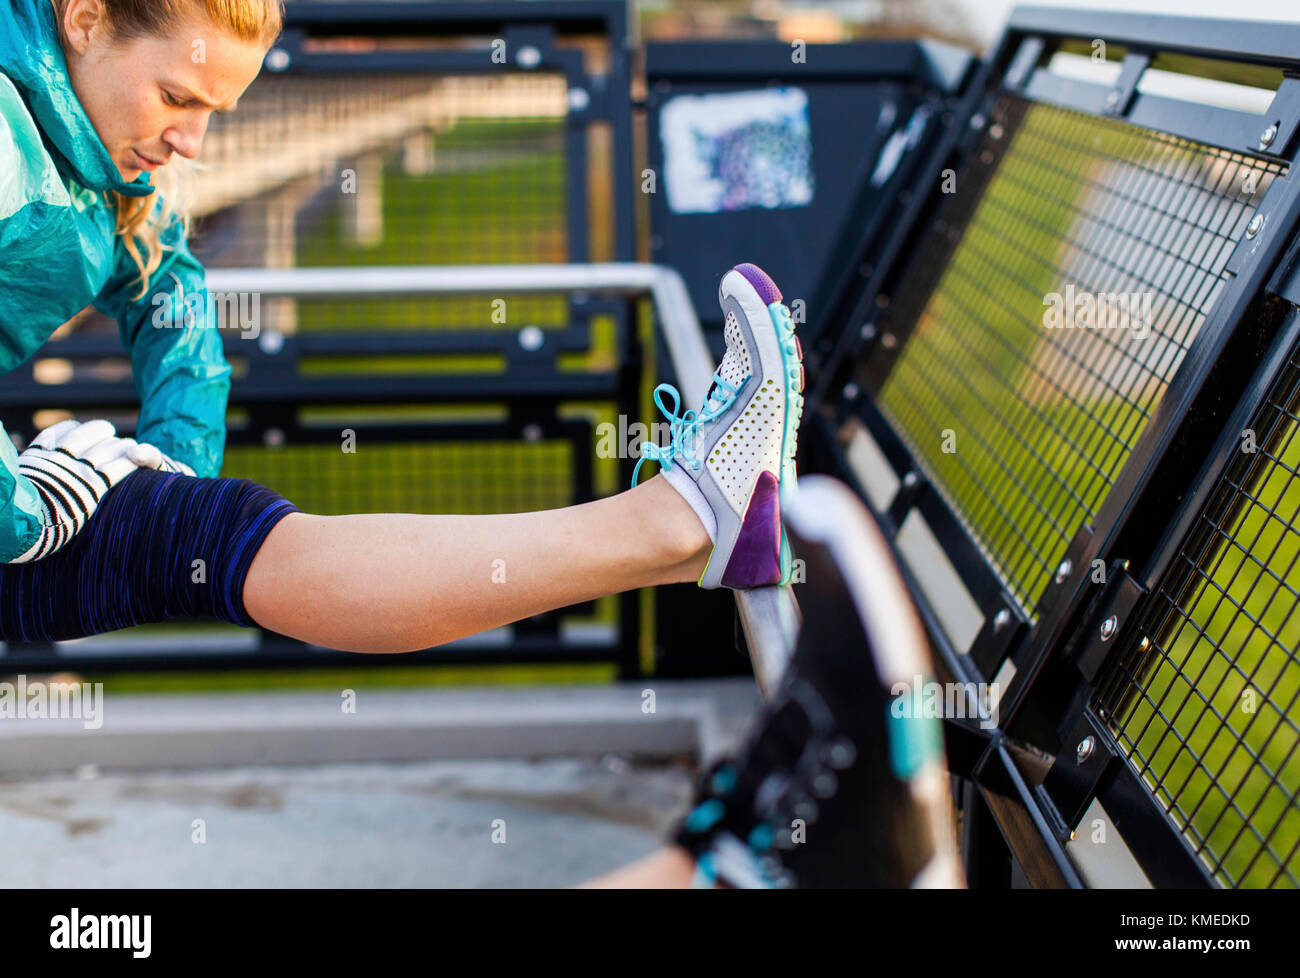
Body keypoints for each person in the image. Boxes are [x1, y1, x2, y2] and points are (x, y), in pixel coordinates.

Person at [0, 0, 957, 888]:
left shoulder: (111, 149)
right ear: (85, 20)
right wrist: (28, 508)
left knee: (189, 530)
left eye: (213, 109)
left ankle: (723, 850)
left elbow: (171, 294)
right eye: (177, 98)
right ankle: (693, 528)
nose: (193, 141)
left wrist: (167, 475)